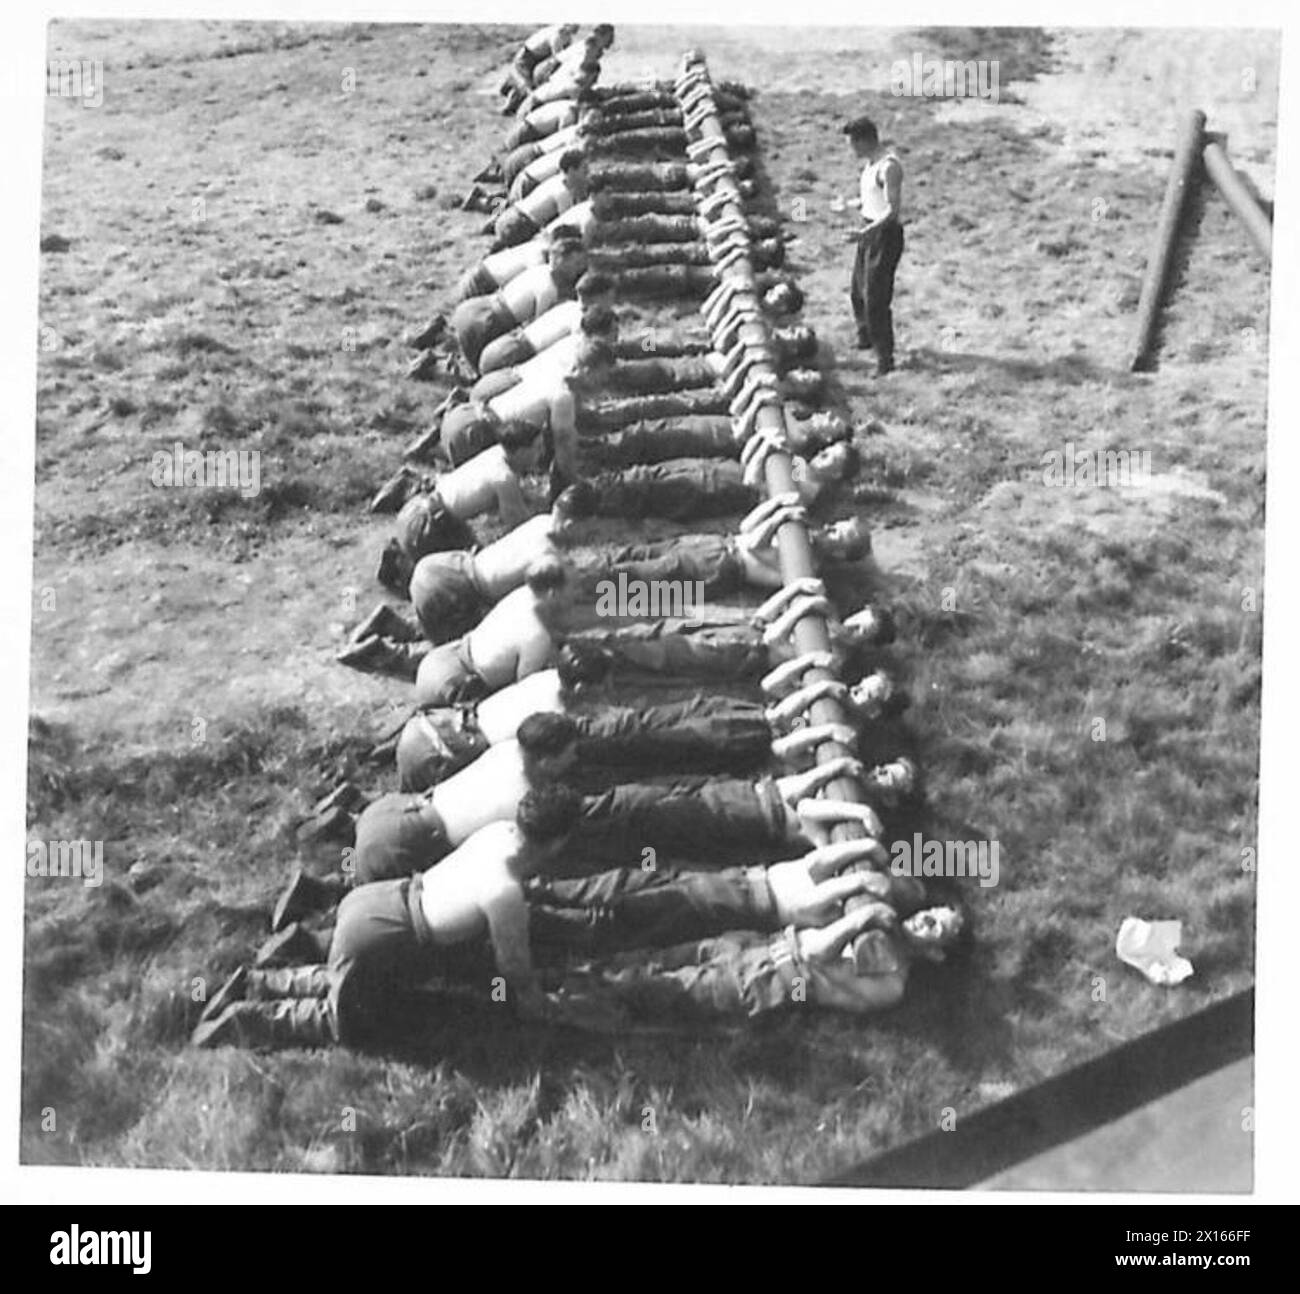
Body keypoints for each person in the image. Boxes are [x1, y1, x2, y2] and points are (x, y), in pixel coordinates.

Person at [412, 557, 574, 707]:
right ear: (553, 594)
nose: (577, 592)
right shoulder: (537, 637)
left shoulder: (523, 594)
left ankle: (404, 650)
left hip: (442, 657)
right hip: (454, 683)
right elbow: (526, 690)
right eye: (573, 588)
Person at [450, 235, 587, 371]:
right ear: (559, 260)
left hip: (479, 306)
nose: (577, 270)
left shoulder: (540, 269)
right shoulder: (549, 289)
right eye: (575, 264)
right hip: (488, 323)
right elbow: (537, 322)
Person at [844, 115, 903, 375]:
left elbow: (892, 210)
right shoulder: (869, 165)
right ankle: (865, 336)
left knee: (876, 299)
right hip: (869, 232)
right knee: (857, 290)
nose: (851, 149)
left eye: (853, 144)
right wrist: (849, 206)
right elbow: (871, 199)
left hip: (884, 236)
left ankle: (885, 359)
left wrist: (866, 232)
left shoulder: (889, 167)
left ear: (865, 140)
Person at [491, 150, 591, 250]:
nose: (588, 172)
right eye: (584, 169)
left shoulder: (558, 179)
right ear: (571, 170)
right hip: (518, 225)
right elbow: (565, 224)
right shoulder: (563, 192)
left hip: (511, 214)